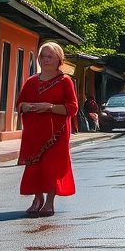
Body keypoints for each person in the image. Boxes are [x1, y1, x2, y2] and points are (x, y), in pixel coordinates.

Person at [17, 42, 78, 218]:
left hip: (55, 133)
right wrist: (27, 107)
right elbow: (19, 104)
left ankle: (50, 201)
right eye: (43, 56)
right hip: (34, 132)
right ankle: (37, 198)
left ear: (59, 59)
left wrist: (49, 107)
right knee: (35, 165)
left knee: (52, 167)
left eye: (50, 56)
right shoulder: (30, 82)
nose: (46, 60)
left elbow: (72, 108)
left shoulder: (65, 81)